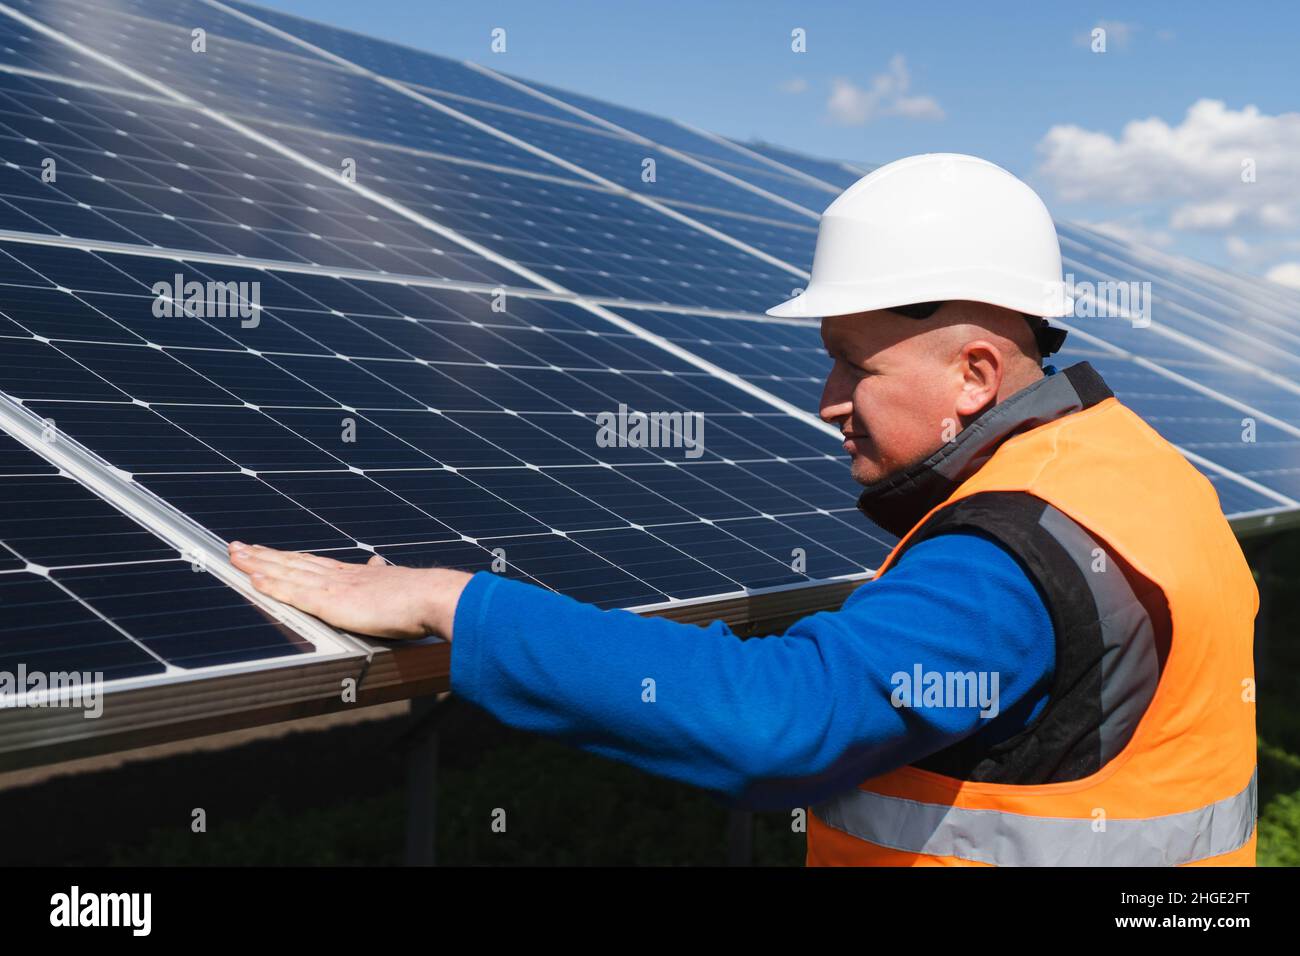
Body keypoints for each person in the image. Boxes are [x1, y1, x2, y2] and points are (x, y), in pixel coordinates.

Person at [228, 154, 1258, 866]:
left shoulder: (1018, 547)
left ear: (975, 374)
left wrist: (458, 601)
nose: (825, 403)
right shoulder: (1141, 471)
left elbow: (779, 722)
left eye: (854, 366)